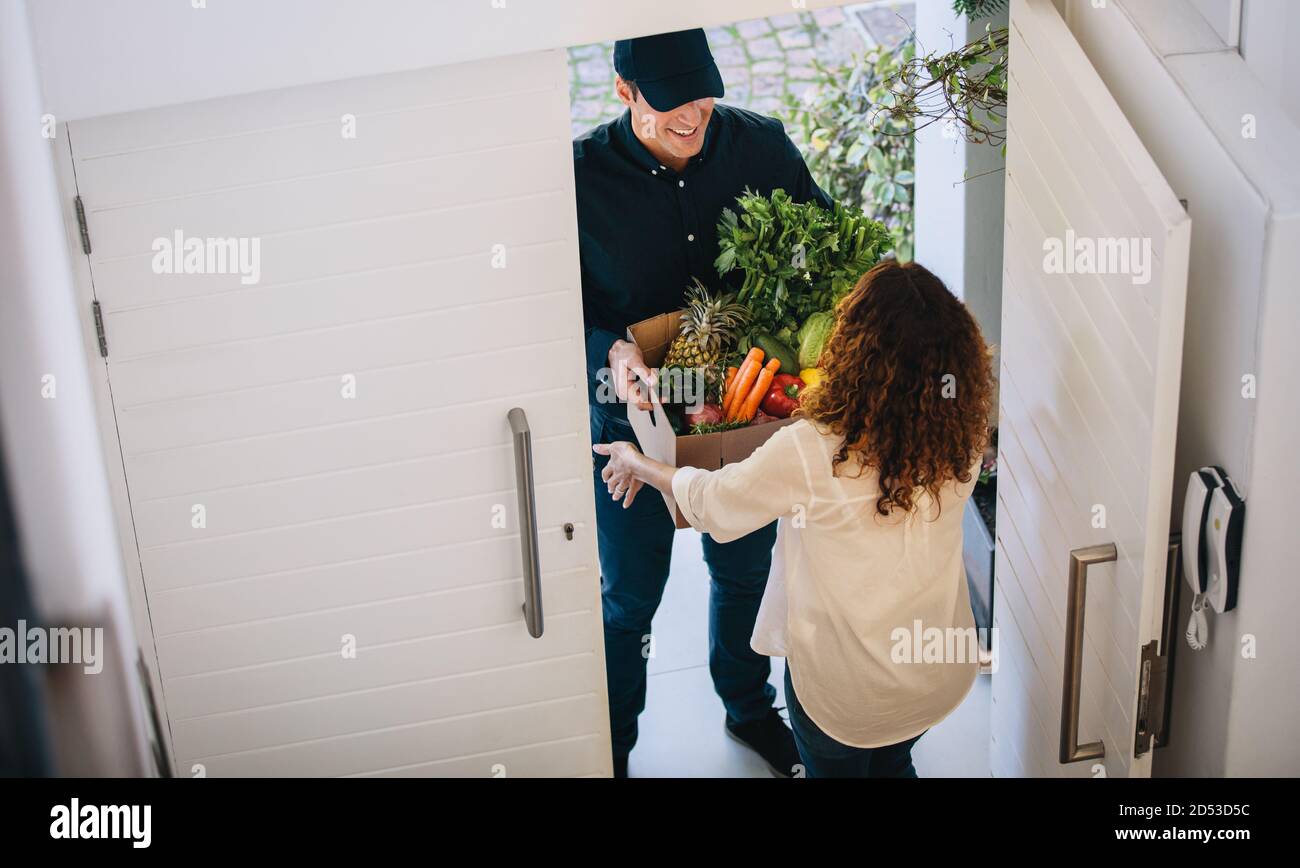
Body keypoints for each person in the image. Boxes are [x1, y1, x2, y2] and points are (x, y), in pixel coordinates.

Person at [595, 260, 995, 778]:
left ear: (854, 349)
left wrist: (638, 462)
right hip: (934, 677)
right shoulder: (964, 431)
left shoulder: (814, 448)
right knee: (895, 762)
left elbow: (716, 502)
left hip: (847, 699)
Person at [574, 28, 833, 777]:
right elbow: (553, 308)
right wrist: (611, 351)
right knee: (628, 601)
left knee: (745, 574)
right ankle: (612, 747)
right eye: (670, 103)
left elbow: (820, 252)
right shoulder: (579, 179)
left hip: (744, 419)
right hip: (629, 430)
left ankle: (748, 709)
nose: (692, 117)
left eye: (704, 97)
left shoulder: (762, 147)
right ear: (624, 92)